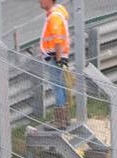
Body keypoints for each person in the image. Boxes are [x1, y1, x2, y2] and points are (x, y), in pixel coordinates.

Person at [38, 0, 71, 128]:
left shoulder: (54, 17)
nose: (39, 1)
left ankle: (60, 121)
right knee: (60, 86)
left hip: (55, 57)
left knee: (57, 87)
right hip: (57, 56)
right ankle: (65, 118)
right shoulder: (56, 13)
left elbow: (57, 40)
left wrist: (58, 59)